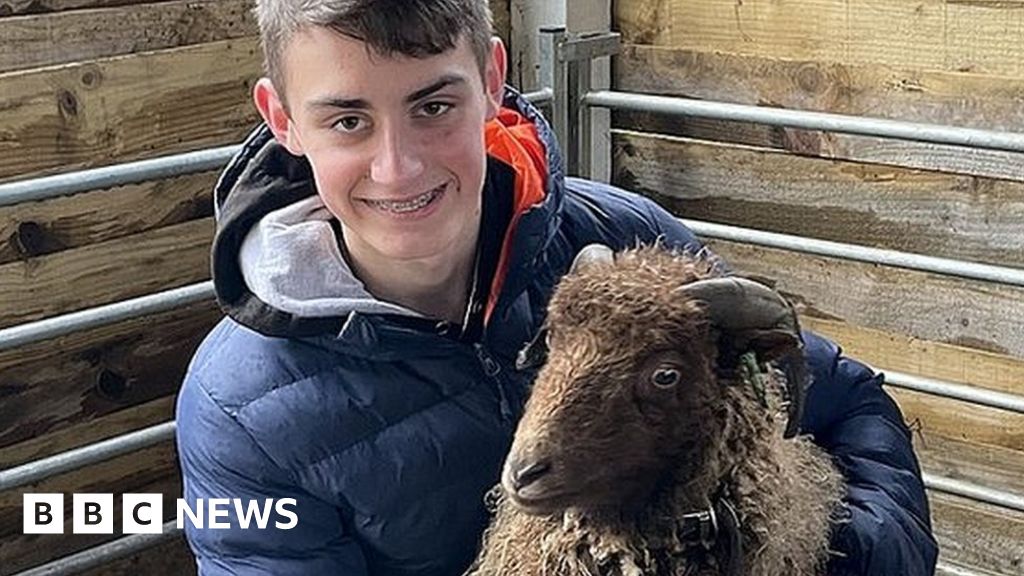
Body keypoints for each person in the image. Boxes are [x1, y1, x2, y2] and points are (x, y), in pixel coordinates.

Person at [174, 1, 938, 574]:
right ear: (283, 120)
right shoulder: (241, 409)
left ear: (492, 81)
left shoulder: (631, 249)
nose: (397, 167)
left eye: (433, 105)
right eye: (348, 121)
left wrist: (838, 555)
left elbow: (848, 402)